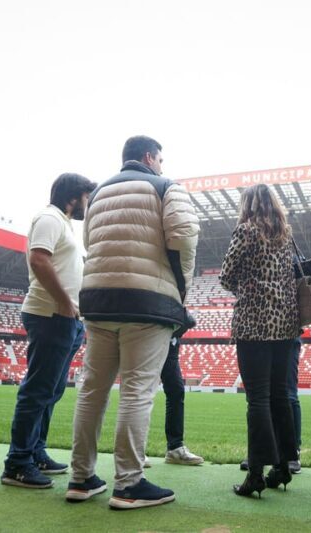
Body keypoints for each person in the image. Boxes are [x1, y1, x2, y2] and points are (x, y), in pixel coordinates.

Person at [67, 135, 199, 510]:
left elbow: (91, 243)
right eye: (160, 157)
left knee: (92, 390)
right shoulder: (165, 186)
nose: (162, 163)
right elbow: (184, 235)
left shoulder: (100, 193)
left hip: (98, 300)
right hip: (146, 303)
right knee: (137, 390)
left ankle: (81, 478)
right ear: (148, 157)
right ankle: (129, 483)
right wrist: (182, 285)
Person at [1, 172, 96, 489]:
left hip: (65, 318)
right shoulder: (49, 218)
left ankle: (35, 452)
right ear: (74, 196)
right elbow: (39, 260)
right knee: (38, 390)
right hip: (51, 314)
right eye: (87, 197)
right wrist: (65, 301)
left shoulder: (63, 223)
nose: (89, 204)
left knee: (51, 392)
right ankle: (17, 463)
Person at [220, 183, 299, 499]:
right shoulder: (285, 234)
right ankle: (282, 465)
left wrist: (248, 283)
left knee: (258, 399)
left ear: (248, 204)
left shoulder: (246, 230)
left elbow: (226, 276)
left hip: (254, 322)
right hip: (285, 323)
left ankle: (255, 473)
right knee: (280, 395)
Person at [148, 310, 205, 467]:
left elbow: (190, 320)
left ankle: (175, 448)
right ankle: (135, 450)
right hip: (149, 338)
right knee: (143, 392)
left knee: (176, 391)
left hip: (171, 343)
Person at [240, 337, 303, 474]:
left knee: (286, 393)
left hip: (282, 331)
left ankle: (291, 453)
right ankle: (260, 453)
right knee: (259, 396)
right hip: (260, 334)